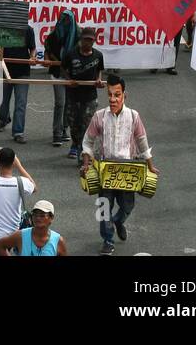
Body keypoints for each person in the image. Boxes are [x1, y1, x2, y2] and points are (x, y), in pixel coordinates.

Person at [81, 74, 157, 255]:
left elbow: (142, 141)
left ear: (125, 95)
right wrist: (86, 164)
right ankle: (108, 240)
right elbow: (87, 142)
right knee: (104, 206)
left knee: (127, 206)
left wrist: (151, 166)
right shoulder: (99, 117)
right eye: (110, 95)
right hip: (105, 169)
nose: (113, 99)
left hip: (128, 170)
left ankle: (118, 221)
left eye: (117, 95)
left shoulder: (133, 116)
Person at [64, 27, 105, 163]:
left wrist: (98, 80)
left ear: (94, 41)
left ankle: (84, 154)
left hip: (90, 97)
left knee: (86, 125)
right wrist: (69, 80)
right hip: (73, 95)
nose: (88, 43)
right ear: (81, 40)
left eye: (90, 40)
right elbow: (63, 69)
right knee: (74, 124)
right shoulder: (71, 54)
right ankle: (75, 144)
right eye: (86, 39)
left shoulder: (98, 55)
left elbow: (99, 70)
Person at [0, 22, 37, 144]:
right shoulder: (2, 29)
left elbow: (32, 48)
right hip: (5, 70)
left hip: (22, 71)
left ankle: (18, 132)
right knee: (2, 101)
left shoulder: (28, 29)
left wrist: (32, 57)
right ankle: (4, 119)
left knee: (21, 103)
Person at [0, 200, 67, 256]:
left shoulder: (58, 241)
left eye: (42, 215)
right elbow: (0, 245)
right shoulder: (20, 236)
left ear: (51, 218)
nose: (38, 218)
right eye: (35, 215)